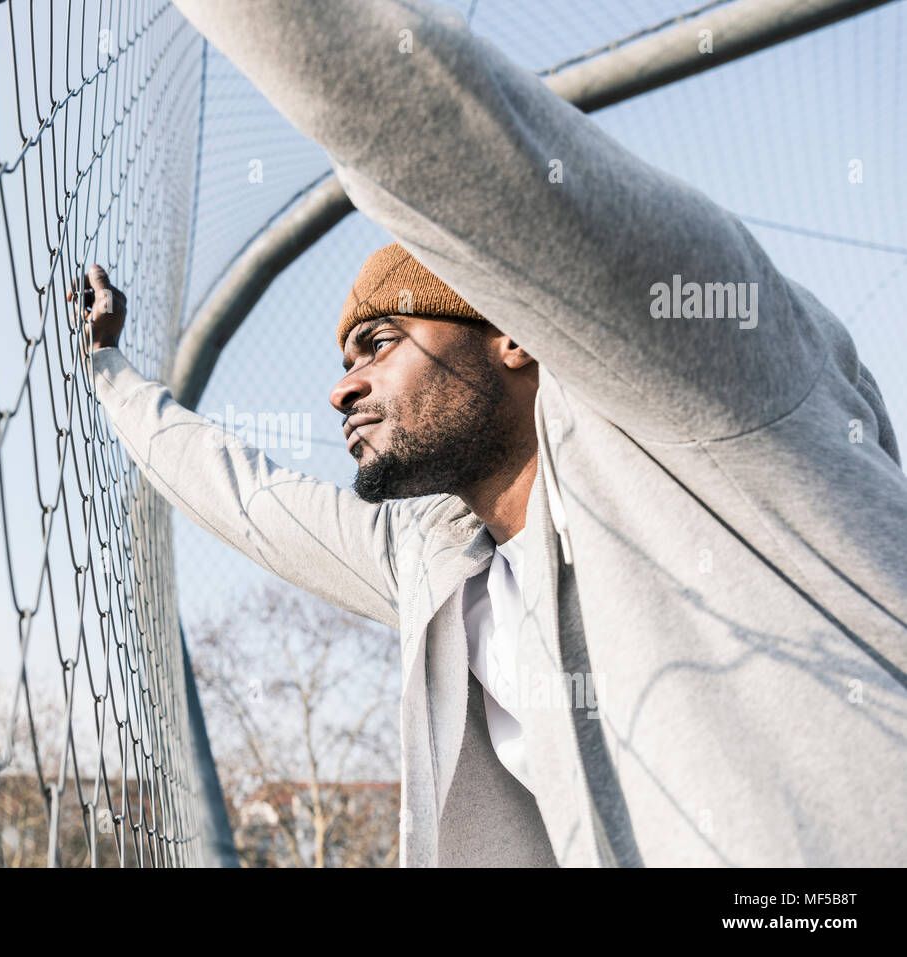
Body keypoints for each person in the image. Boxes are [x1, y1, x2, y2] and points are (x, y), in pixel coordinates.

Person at [69, 0, 907, 867]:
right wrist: (110, 373)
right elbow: (248, 497)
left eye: (379, 342)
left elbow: (420, 126)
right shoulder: (440, 560)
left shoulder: (698, 383)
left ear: (512, 329)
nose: (339, 386)